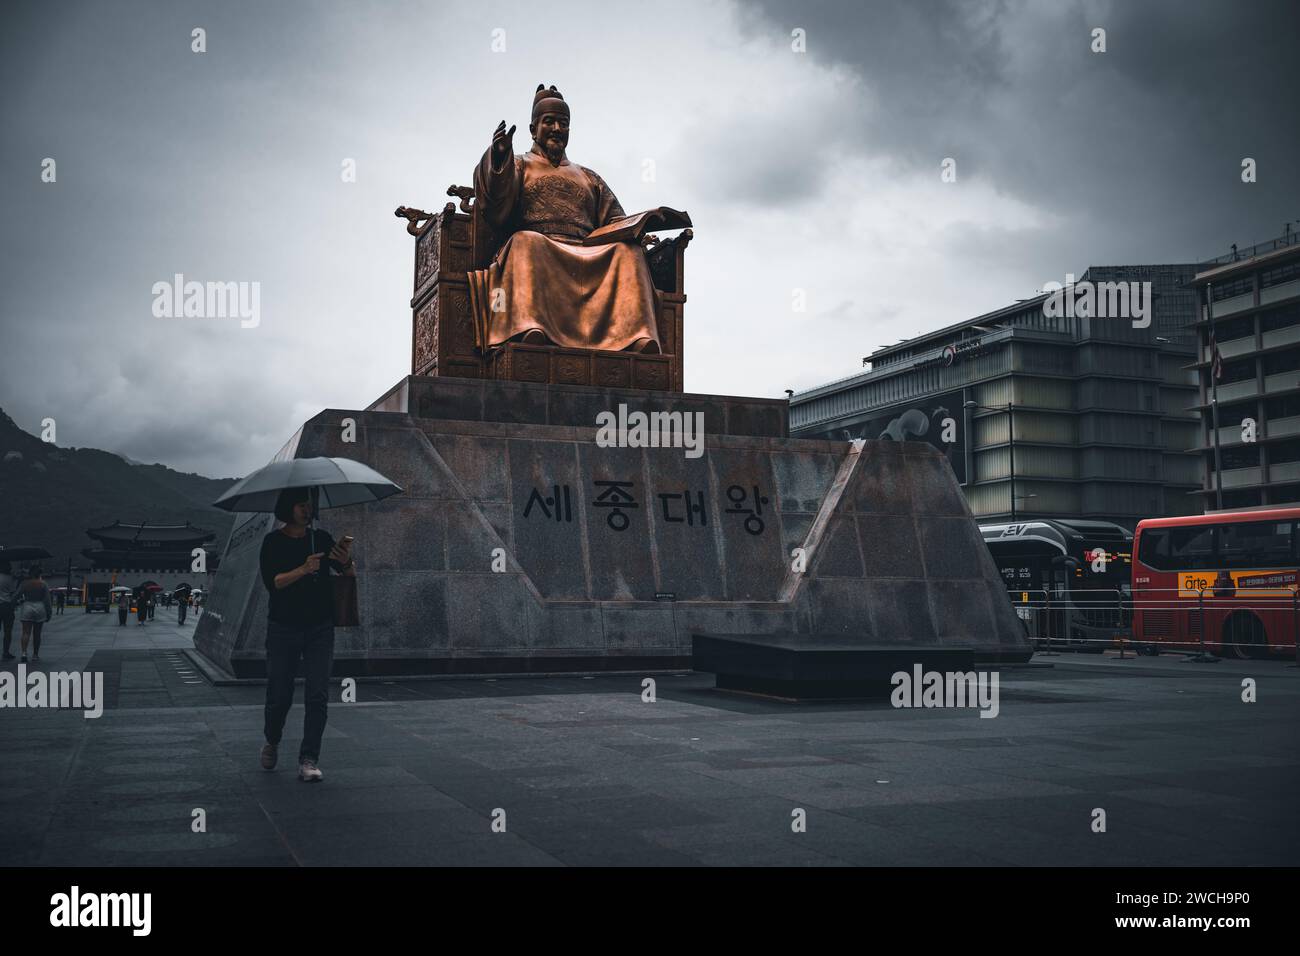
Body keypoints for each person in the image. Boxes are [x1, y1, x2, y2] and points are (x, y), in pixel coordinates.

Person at [258, 486, 354, 783]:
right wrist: (302, 568)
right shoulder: (273, 542)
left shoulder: (321, 539)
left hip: (320, 628)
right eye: (300, 505)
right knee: (279, 694)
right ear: (288, 509)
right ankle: (272, 739)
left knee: (317, 695)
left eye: (309, 504)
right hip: (283, 627)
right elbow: (273, 582)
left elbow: (347, 577)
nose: (306, 509)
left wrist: (346, 560)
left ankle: (309, 758)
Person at [17, 565, 52, 664]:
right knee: (37, 633)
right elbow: (47, 600)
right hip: (40, 607)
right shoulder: (43, 584)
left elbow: (17, 595)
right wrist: (49, 613)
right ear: (39, 574)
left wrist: (11, 603)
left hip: (27, 606)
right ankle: (35, 655)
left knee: (25, 632)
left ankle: (24, 653)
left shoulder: (25, 584)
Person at [0, 561, 17, 661]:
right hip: (6, 606)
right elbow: (13, 593)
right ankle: (5, 652)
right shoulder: (10, 578)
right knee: (7, 631)